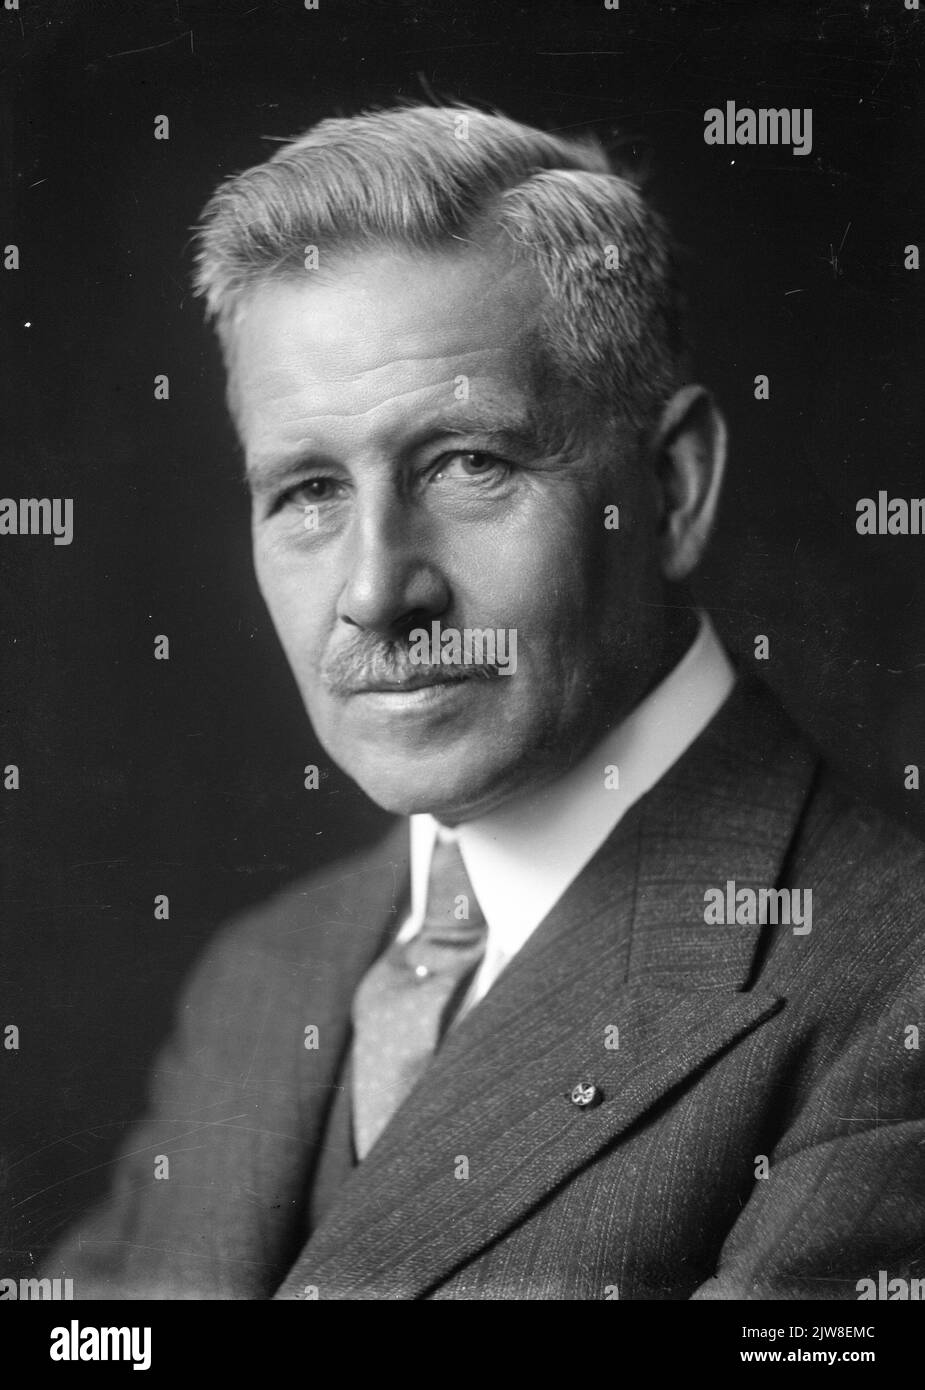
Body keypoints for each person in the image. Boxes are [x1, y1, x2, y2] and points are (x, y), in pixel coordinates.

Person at [44, 104, 925, 1300]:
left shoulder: (892, 991)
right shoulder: (262, 979)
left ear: (668, 487)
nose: (371, 593)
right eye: (307, 490)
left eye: (469, 463)